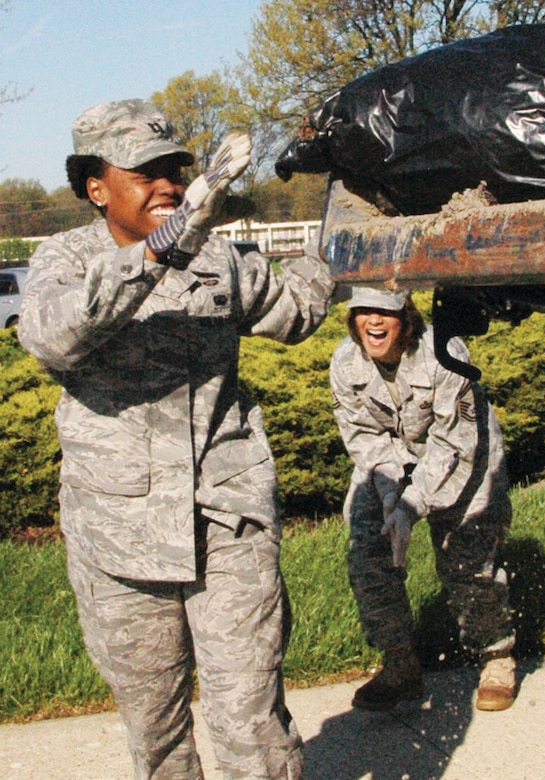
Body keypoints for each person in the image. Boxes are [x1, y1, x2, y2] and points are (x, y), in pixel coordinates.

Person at [18, 98, 336, 779]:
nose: (168, 184)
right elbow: (53, 335)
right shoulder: (63, 261)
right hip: (120, 540)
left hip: (229, 523)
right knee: (157, 735)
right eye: (145, 171)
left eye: (176, 169)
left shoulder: (219, 256)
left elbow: (296, 311)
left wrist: (347, 220)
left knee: (252, 721)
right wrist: (166, 246)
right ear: (95, 186)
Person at [329, 286, 516, 713]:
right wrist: (392, 496)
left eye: (386, 312)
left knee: (467, 560)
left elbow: (454, 442)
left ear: (406, 317)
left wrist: (412, 508)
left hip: (464, 455)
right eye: (364, 312)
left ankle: (496, 655)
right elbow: (362, 435)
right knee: (367, 553)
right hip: (389, 461)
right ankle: (400, 666)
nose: (374, 322)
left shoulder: (445, 354)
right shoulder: (345, 360)